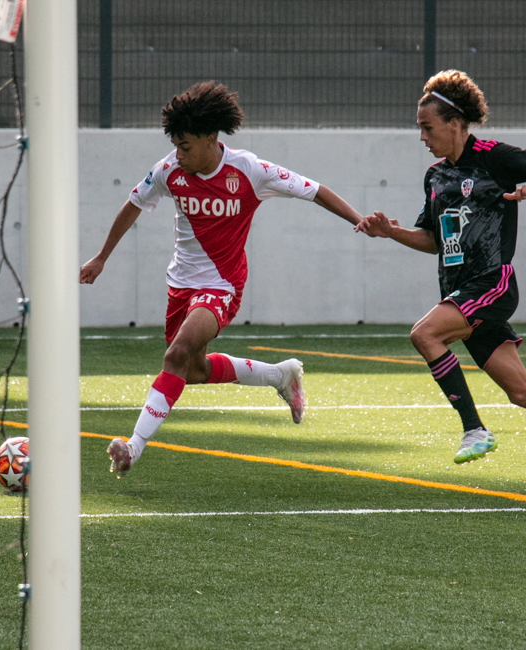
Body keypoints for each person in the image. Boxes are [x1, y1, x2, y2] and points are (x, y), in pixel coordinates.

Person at [355, 70, 526, 489]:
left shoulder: (492, 156)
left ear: (455, 123)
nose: (422, 137)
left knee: (424, 335)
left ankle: (474, 429)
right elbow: (432, 239)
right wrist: (390, 231)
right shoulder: (435, 177)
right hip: (460, 294)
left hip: (491, 284)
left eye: (427, 128)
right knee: (523, 394)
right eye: (419, 129)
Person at [80, 81, 365, 477]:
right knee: (192, 370)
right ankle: (279, 375)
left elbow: (315, 190)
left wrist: (359, 220)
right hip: (180, 285)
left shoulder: (249, 170)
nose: (178, 155)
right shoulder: (168, 170)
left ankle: (133, 447)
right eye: (176, 146)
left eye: (186, 146)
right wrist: (102, 257)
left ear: (211, 139)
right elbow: (133, 205)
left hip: (222, 285)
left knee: (175, 356)